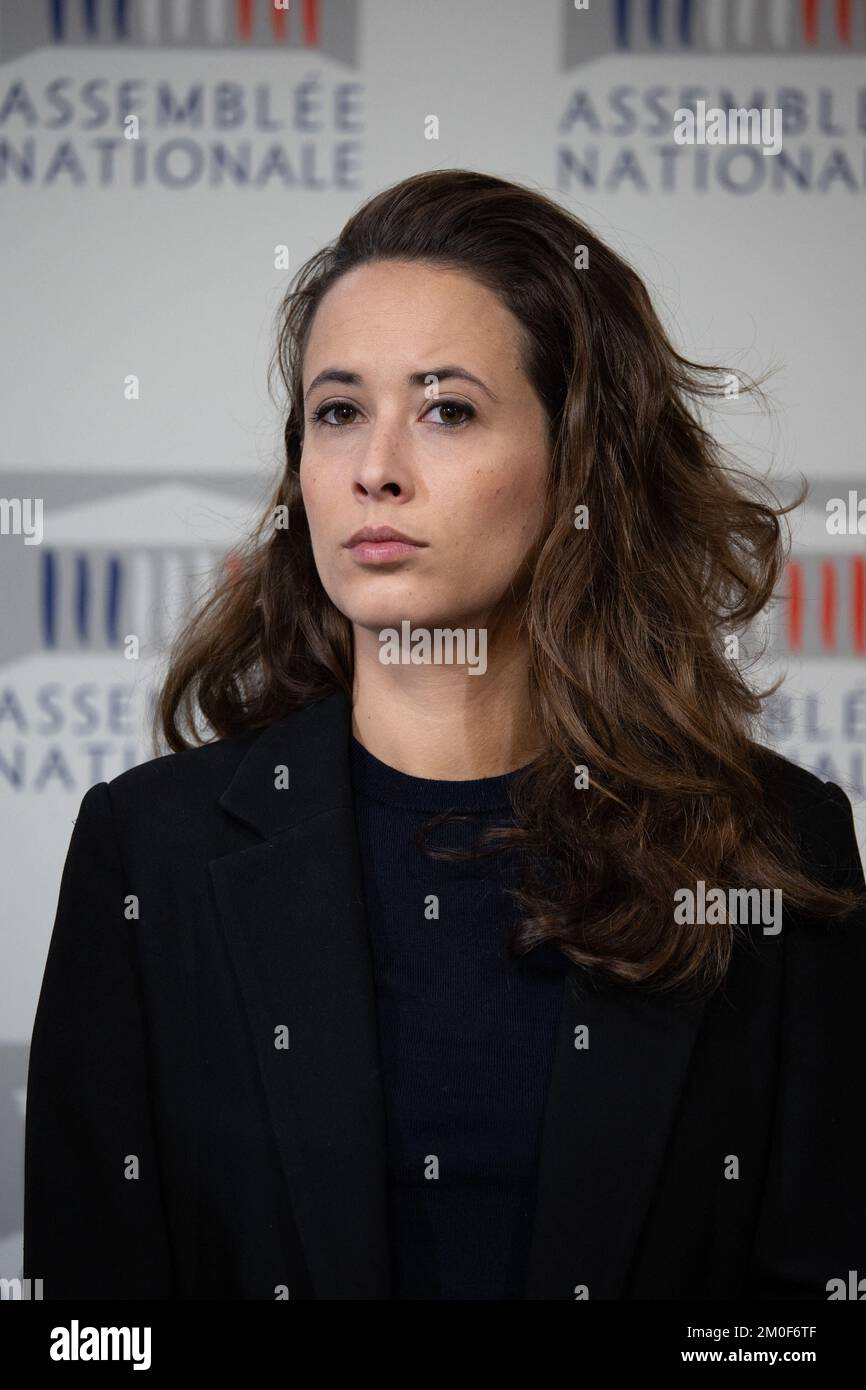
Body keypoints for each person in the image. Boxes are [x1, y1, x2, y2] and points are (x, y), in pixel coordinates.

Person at [24, 169, 866, 1301]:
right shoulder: (150, 849)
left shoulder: (769, 848)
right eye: (336, 411)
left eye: (445, 409)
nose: (375, 466)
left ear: (579, 465)